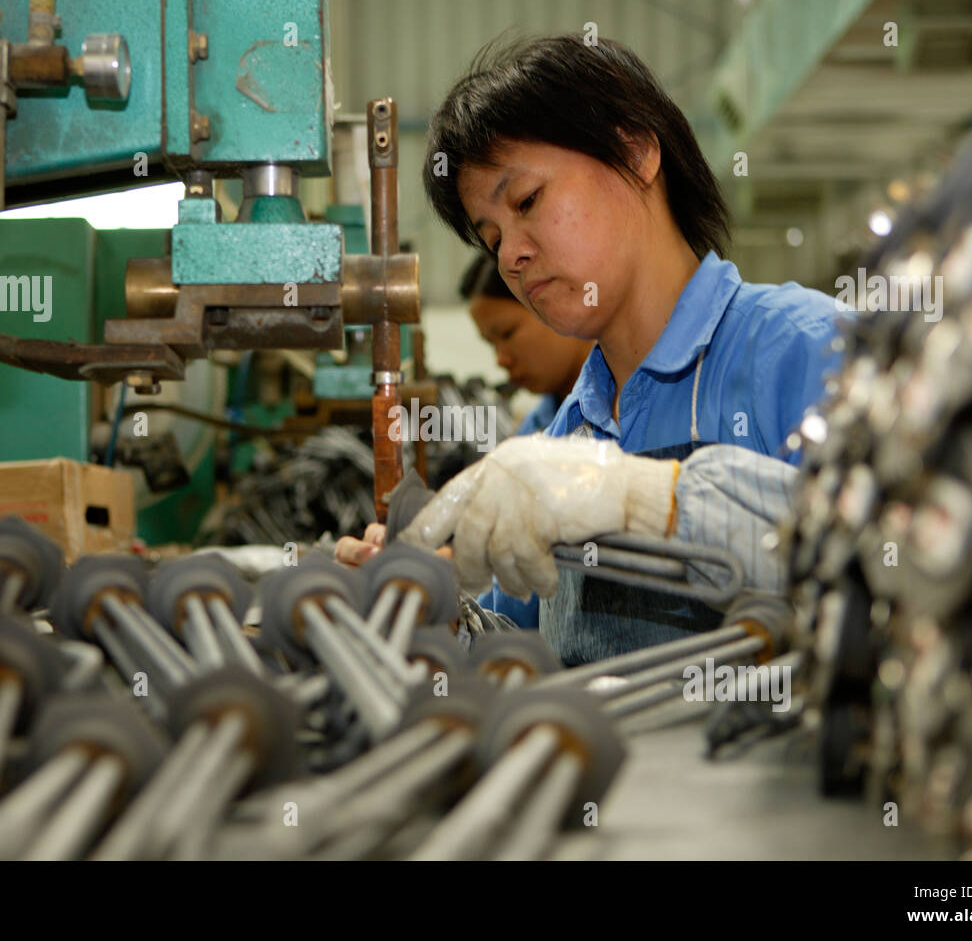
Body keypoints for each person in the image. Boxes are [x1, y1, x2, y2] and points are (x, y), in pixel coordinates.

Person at [355, 34, 843, 664]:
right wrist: (437, 616)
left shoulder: (808, 350)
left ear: (636, 152)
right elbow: (537, 653)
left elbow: (900, 552)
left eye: (528, 201)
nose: (511, 256)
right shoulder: (563, 438)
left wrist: (643, 499)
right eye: (492, 237)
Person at [461, 253, 591, 436]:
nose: (501, 360)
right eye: (492, 344)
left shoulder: (632, 409)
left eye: (507, 334)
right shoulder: (535, 429)